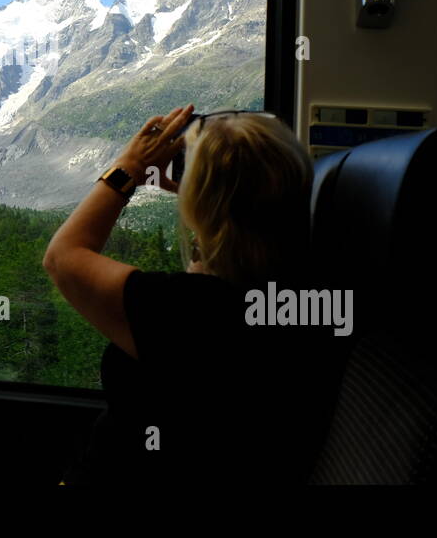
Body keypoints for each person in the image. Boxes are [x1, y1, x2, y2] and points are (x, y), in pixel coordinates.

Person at [44, 105, 343, 484]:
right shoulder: (314, 297)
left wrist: (129, 168)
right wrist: (213, 198)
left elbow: (62, 257)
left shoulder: (192, 311)